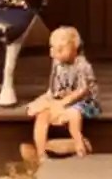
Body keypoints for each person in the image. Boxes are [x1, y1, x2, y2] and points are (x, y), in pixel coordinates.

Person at [23, 26, 100, 163]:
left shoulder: (82, 65)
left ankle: (79, 145)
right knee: (42, 115)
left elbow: (82, 90)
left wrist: (62, 103)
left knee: (73, 114)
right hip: (61, 98)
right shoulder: (57, 64)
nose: (54, 53)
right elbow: (53, 88)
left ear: (74, 48)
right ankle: (41, 152)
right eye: (52, 48)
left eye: (60, 50)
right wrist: (44, 101)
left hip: (83, 101)